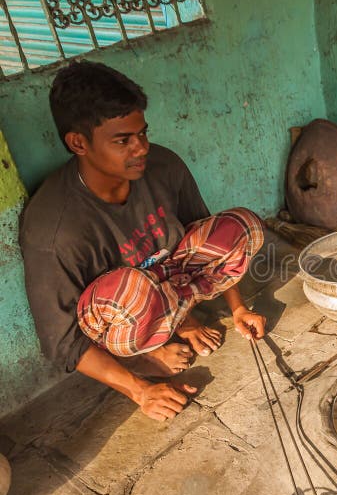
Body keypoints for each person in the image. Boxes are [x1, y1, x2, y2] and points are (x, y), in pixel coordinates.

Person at [20, 61, 267, 421]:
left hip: (168, 285)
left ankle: (179, 320)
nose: (141, 148)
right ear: (78, 143)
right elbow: (63, 344)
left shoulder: (163, 165)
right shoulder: (54, 229)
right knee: (134, 289)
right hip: (119, 314)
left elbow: (206, 237)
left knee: (240, 225)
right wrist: (140, 390)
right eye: (123, 140)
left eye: (142, 133)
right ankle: (144, 353)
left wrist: (238, 308)